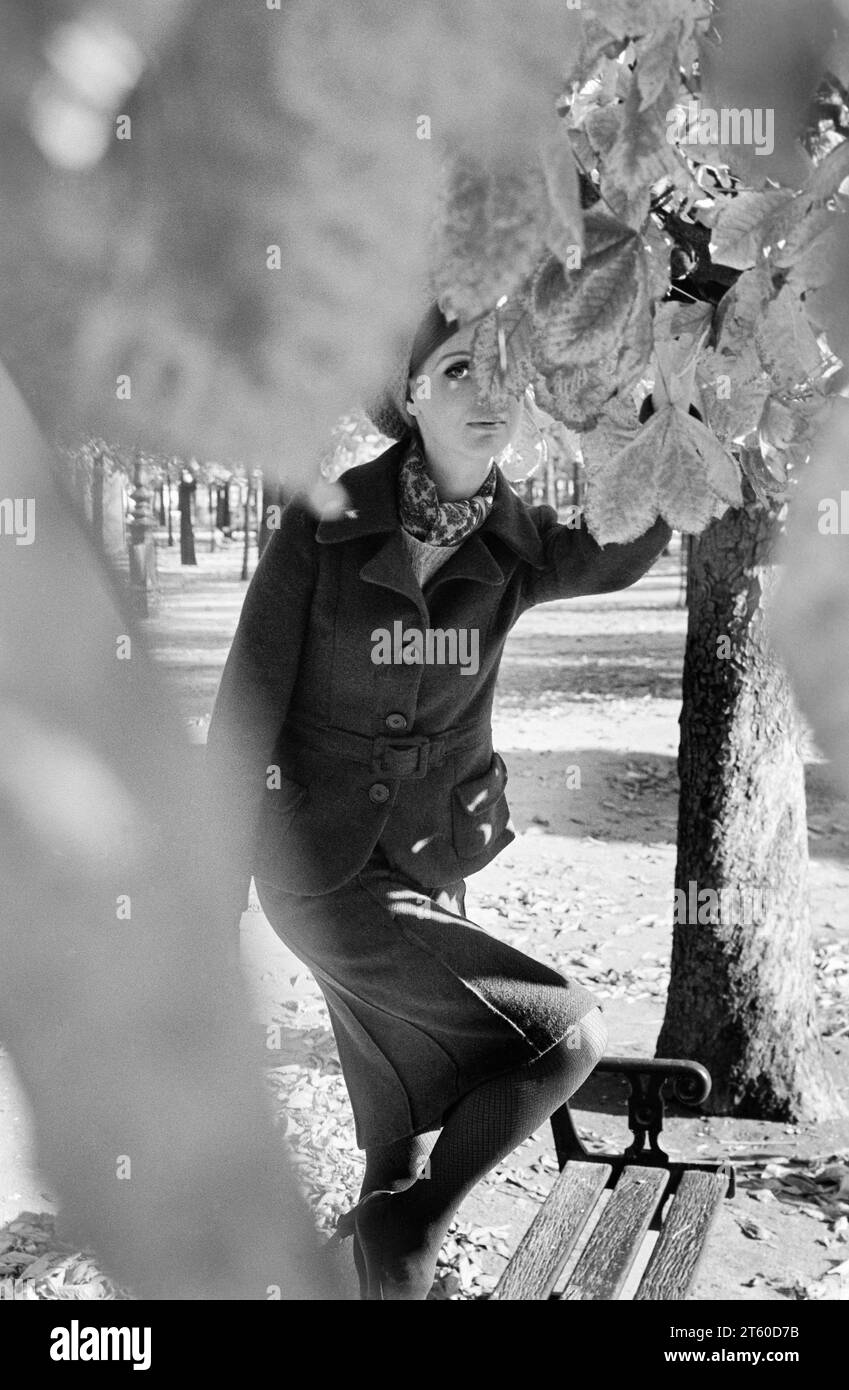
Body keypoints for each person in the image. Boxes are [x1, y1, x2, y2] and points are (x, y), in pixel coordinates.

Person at [206, 300, 673, 1300]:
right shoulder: (321, 523)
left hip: (432, 867)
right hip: (321, 873)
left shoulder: (521, 543)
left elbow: (630, 542)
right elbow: (244, 711)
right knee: (566, 1033)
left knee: (400, 1144)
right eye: (459, 368)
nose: (486, 390)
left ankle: (384, 1241)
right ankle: (411, 1229)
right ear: (408, 394)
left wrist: (639, 404)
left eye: (505, 370)